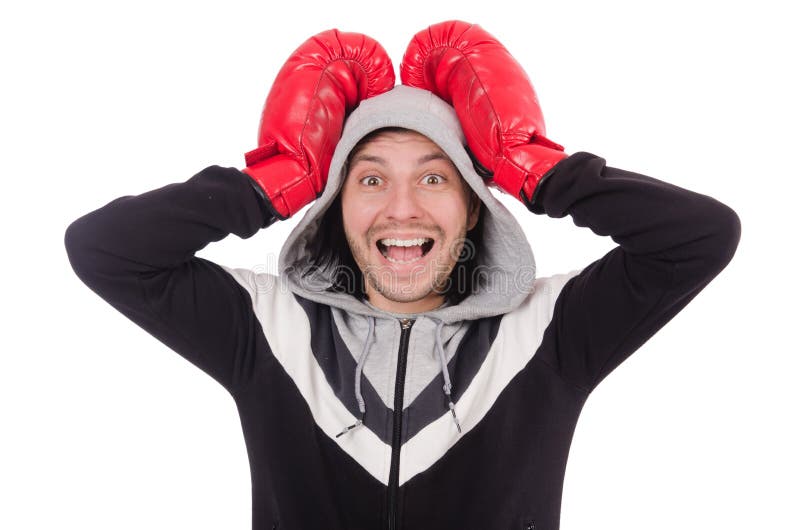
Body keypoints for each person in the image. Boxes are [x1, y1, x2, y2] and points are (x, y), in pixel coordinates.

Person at [64, 20, 741, 530]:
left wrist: (536, 166)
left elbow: (700, 236)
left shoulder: (549, 333)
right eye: (370, 179)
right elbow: (103, 249)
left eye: (434, 177)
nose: (401, 208)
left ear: (474, 208)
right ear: (333, 205)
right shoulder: (267, 328)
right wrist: (272, 179)